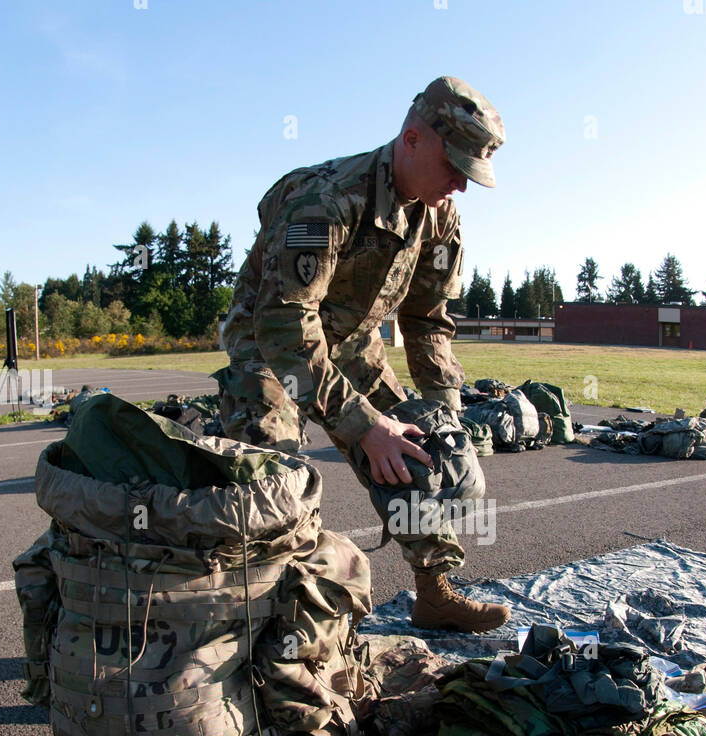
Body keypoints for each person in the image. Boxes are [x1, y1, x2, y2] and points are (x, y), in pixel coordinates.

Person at [217, 76, 510, 633]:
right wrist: (360, 425)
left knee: (417, 448)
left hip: (352, 345)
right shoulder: (323, 201)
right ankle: (256, 620)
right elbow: (285, 328)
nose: (462, 185)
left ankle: (433, 590)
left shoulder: (439, 216)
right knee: (271, 474)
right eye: (455, 165)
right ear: (413, 138)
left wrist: (445, 413)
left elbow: (427, 321)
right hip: (271, 344)